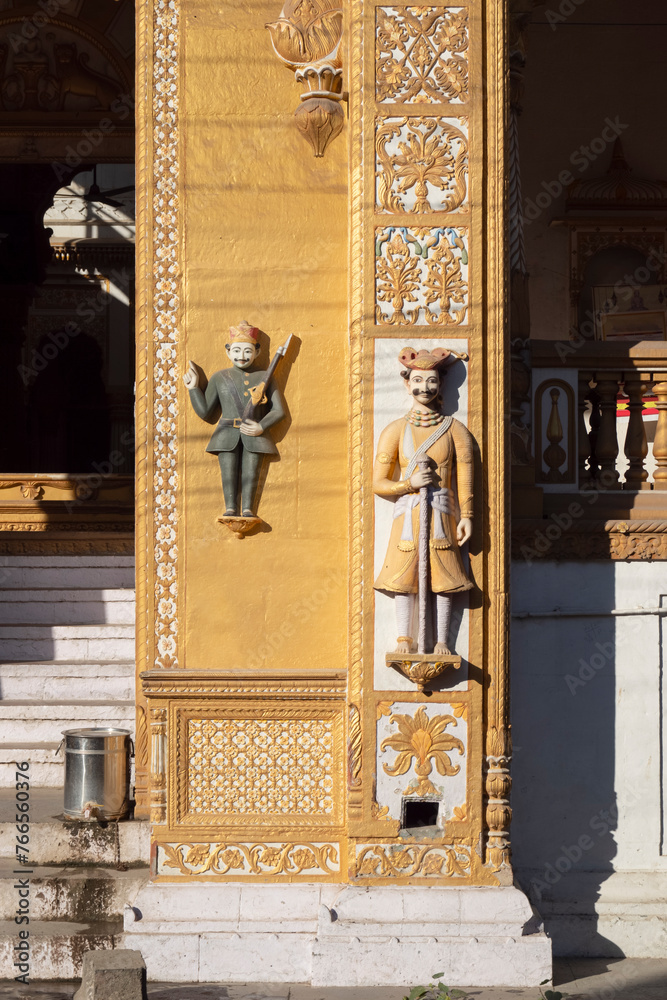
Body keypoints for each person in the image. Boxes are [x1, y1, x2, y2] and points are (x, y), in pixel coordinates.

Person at [373, 345, 473, 655]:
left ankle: (442, 640)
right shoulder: (395, 430)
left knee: (444, 575)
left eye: (432, 381)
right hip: (409, 513)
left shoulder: (455, 430)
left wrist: (468, 516)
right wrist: (408, 484)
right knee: (404, 573)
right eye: (417, 380)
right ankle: (404, 638)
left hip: (442, 513)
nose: (425, 387)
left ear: (441, 384)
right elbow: (378, 483)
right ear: (407, 384)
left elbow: (466, 475)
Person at [183, 321, 286, 516]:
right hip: (226, 433)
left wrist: (261, 426)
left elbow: (279, 411)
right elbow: (206, 412)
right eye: (237, 350)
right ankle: (230, 507)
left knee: (251, 473)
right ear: (228, 351)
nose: (242, 356)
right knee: (228, 473)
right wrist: (193, 388)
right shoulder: (219, 377)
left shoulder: (265, 377)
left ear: (257, 351)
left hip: (254, 434)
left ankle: (248, 509)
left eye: (248, 351)